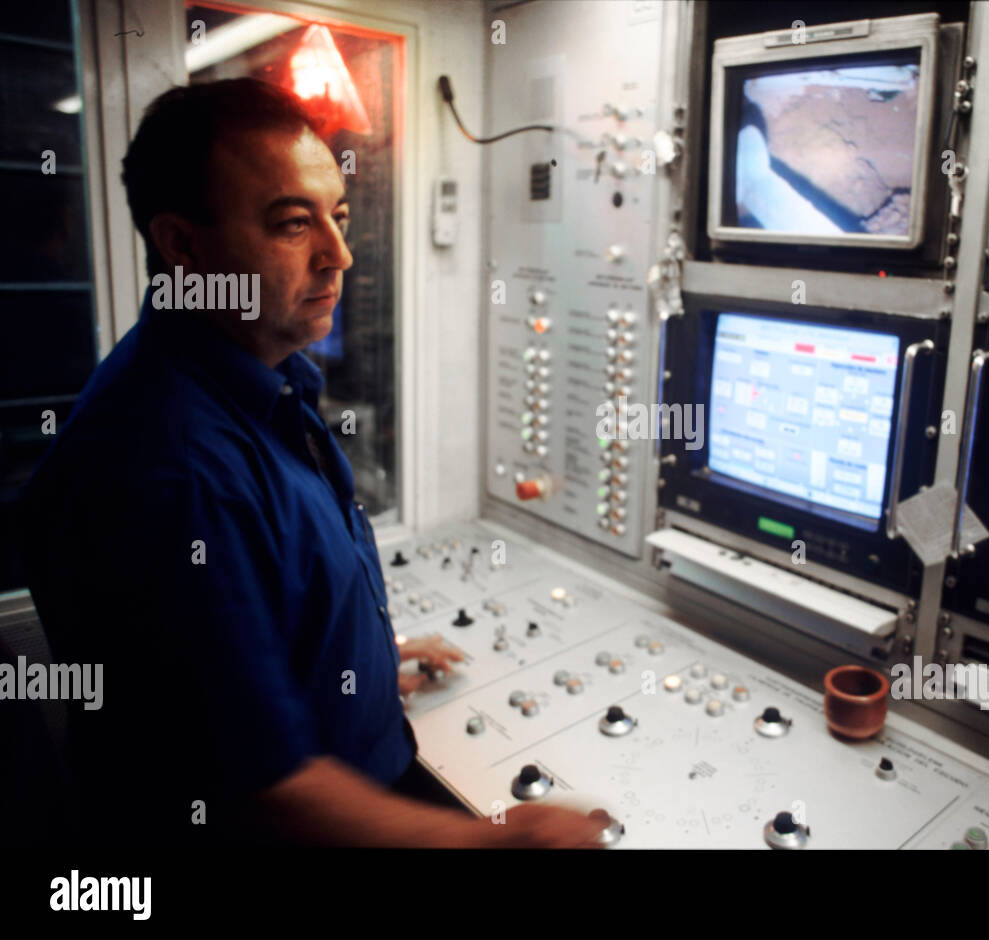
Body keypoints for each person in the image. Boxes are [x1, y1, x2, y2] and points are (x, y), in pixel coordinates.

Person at [20, 77, 603, 848]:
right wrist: (498, 843)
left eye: (338, 216)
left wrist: (358, 664)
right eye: (294, 225)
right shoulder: (171, 468)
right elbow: (263, 794)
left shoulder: (261, 371)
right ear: (184, 246)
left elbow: (235, 633)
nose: (340, 255)